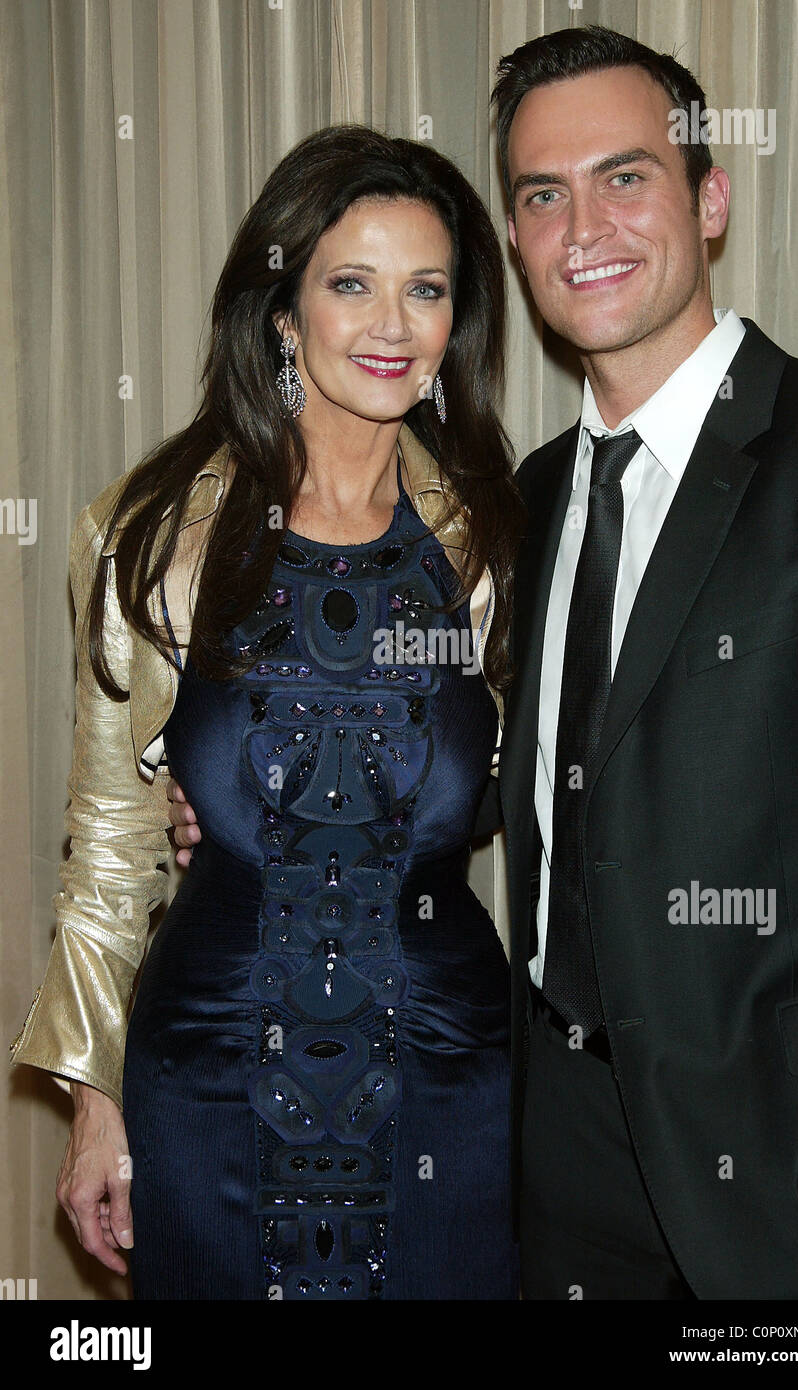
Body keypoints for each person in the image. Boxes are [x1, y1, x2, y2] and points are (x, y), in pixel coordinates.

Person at [9, 125, 524, 1300]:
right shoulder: (150, 535)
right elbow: (111, 847)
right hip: (207, 1084)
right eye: (352, 284)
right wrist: (94, 1107)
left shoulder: (495, 540)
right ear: (282, 310)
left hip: (452, 1081)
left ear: (457, 323)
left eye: (426, 290)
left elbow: (530, 795)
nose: (392, 325)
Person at [486, 24, 798, 1301]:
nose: (581, 223)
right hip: (554, 1147)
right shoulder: (523, 501)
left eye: (623, 175)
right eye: (542, 193)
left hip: (785, 1172)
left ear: (709, 198)